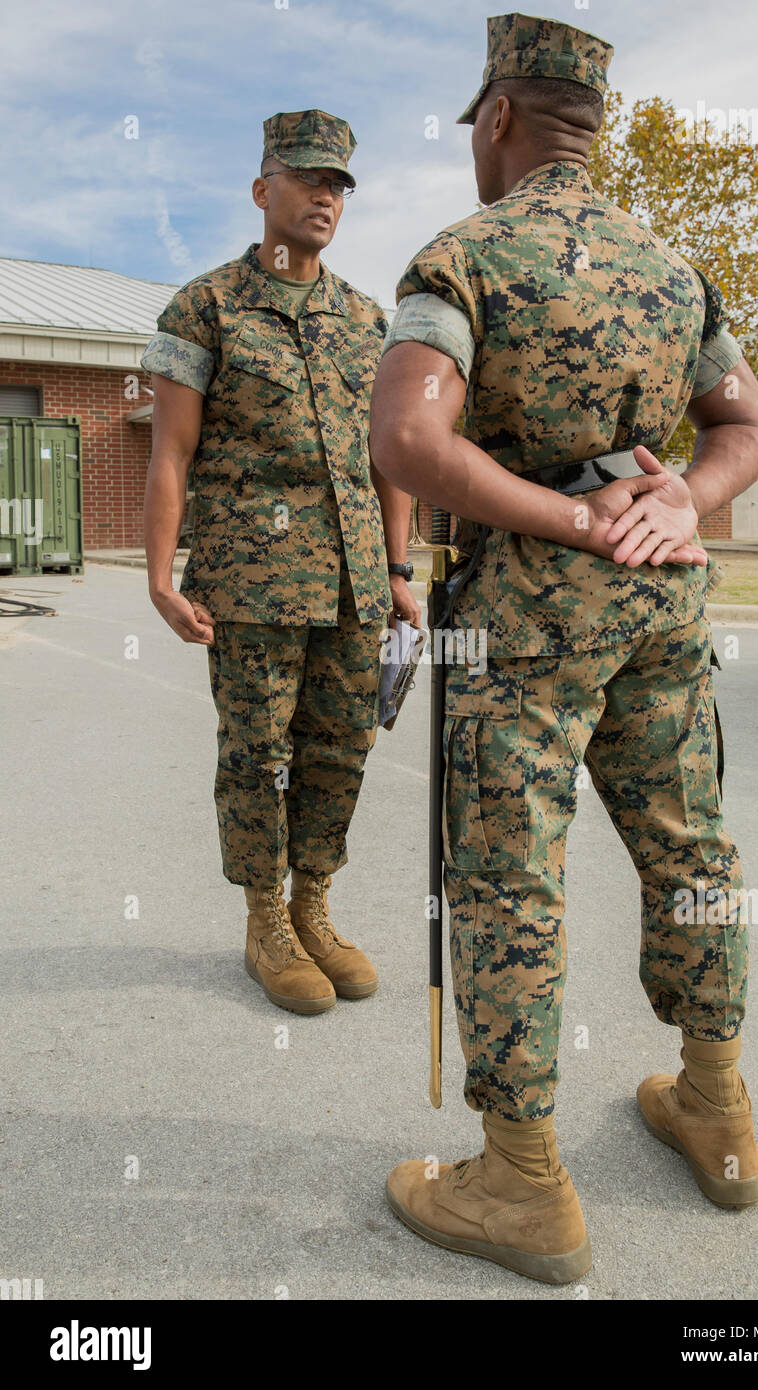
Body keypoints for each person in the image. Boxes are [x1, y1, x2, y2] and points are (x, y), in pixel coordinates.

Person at [370, 14, 758, 1284]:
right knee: (689, 843)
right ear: (586, 127)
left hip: (528, 611)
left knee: (507, 876)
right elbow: (748, 421)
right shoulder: (668, 270)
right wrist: (675, 503)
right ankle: (714, 1108)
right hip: (663, 602)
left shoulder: (465, 258)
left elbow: (408, 443)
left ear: (497, 120)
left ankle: (522, 1185)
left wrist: (573, 516)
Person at [143, 109, 419, 1017]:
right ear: (263, 190)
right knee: (258, 755)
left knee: (341, 749)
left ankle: (315, 906)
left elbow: (389, 457)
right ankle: (265, 919)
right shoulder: (204, 306)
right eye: (307, 179)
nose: (325, 198)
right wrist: (158, 576)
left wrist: (398, 569)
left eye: (338, 184)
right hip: (251, 583)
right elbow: (170, 455)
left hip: (351, 583)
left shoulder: (366, 320)